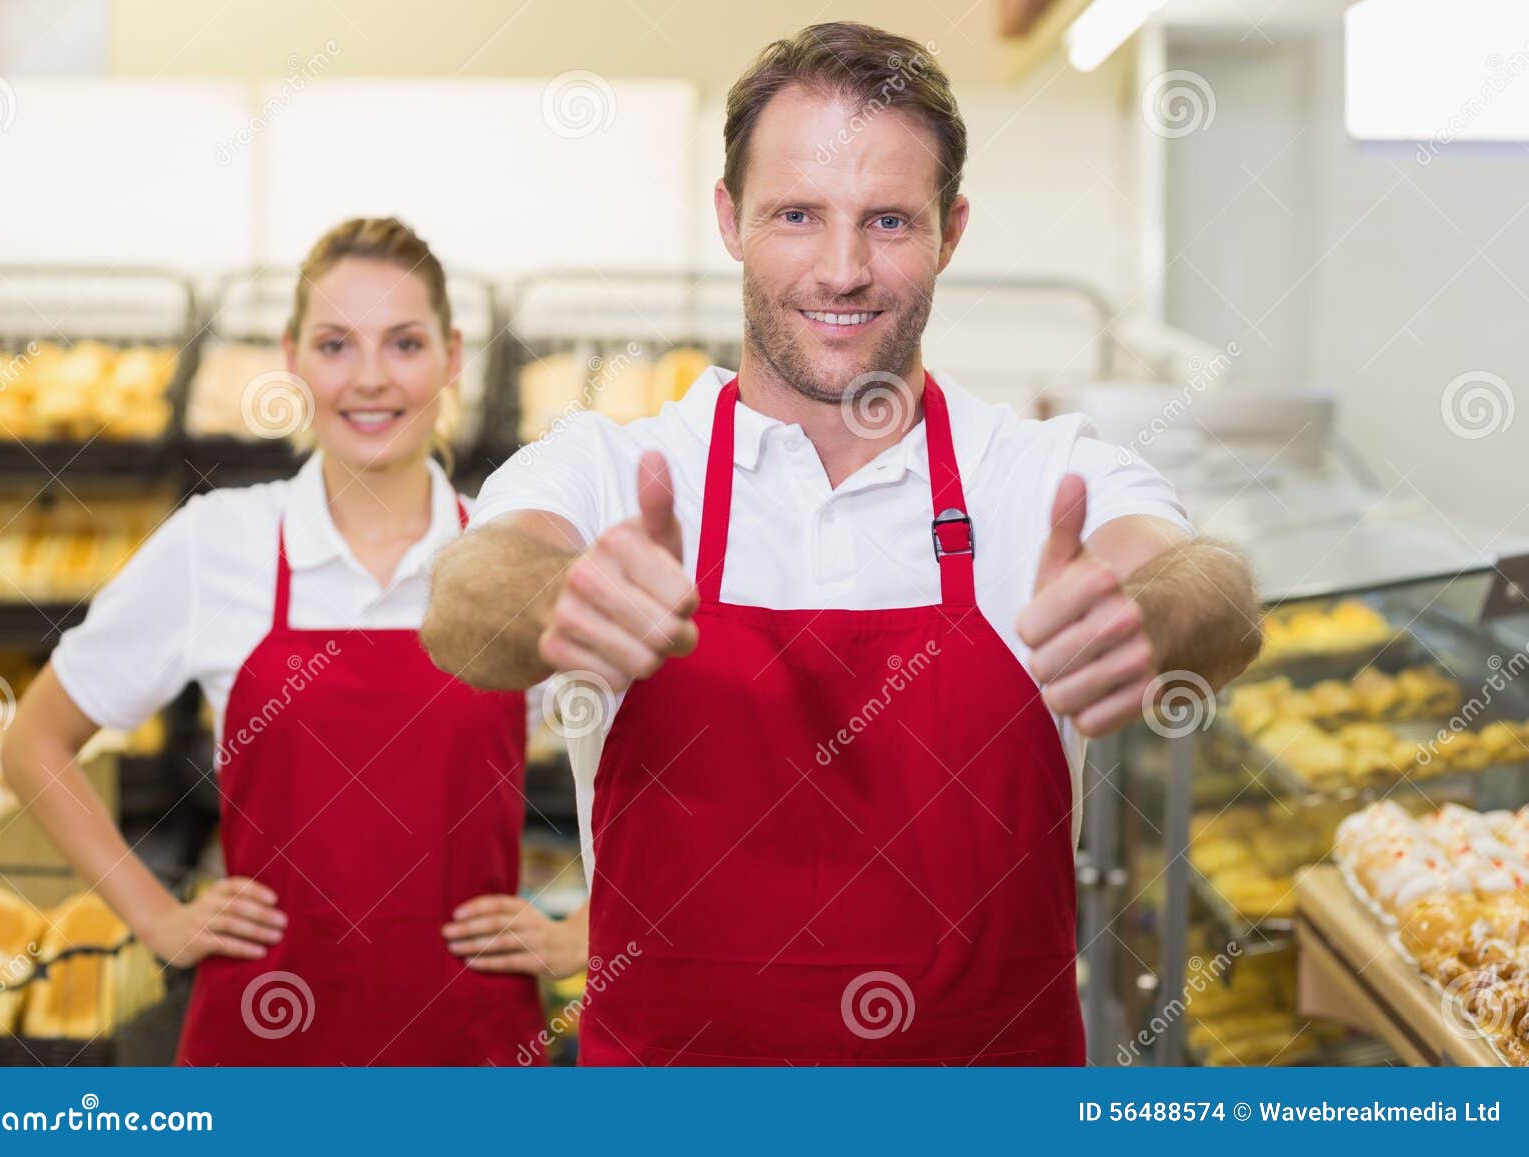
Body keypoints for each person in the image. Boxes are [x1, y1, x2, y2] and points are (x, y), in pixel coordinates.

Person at [422, 24, 1260, 1066]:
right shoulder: (617, 468)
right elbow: (467, 594)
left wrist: (1151, 613)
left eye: (890, 220)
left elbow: (1208, 586)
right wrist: (554, 598)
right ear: (729, 218)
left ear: (951, 231)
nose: (843, 267)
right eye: (796, 215)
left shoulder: (1032, 475)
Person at [2, 218, 584, 1065]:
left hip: (472, 1044)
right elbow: (33, 742)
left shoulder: (514, 553)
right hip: (262, 1047)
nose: (372, 378)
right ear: (293, 358)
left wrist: (592, 932)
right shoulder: (218, 544)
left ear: (453, 358)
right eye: (337, 344)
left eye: (406, 343)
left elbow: (671, 757)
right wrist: (157, 916)